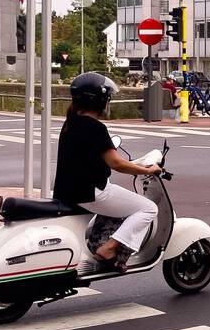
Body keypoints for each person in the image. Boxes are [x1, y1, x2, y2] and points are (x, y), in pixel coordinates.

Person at [53, 73, 161, 272]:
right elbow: (117, 163)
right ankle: (109, 248)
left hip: (68, 191)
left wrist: (136, 166)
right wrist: (148, 169)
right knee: (148, 209)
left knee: (118, 197)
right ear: (100, 100)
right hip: (90, 192)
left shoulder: (70, 123)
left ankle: (103, 244)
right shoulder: (95, 128)